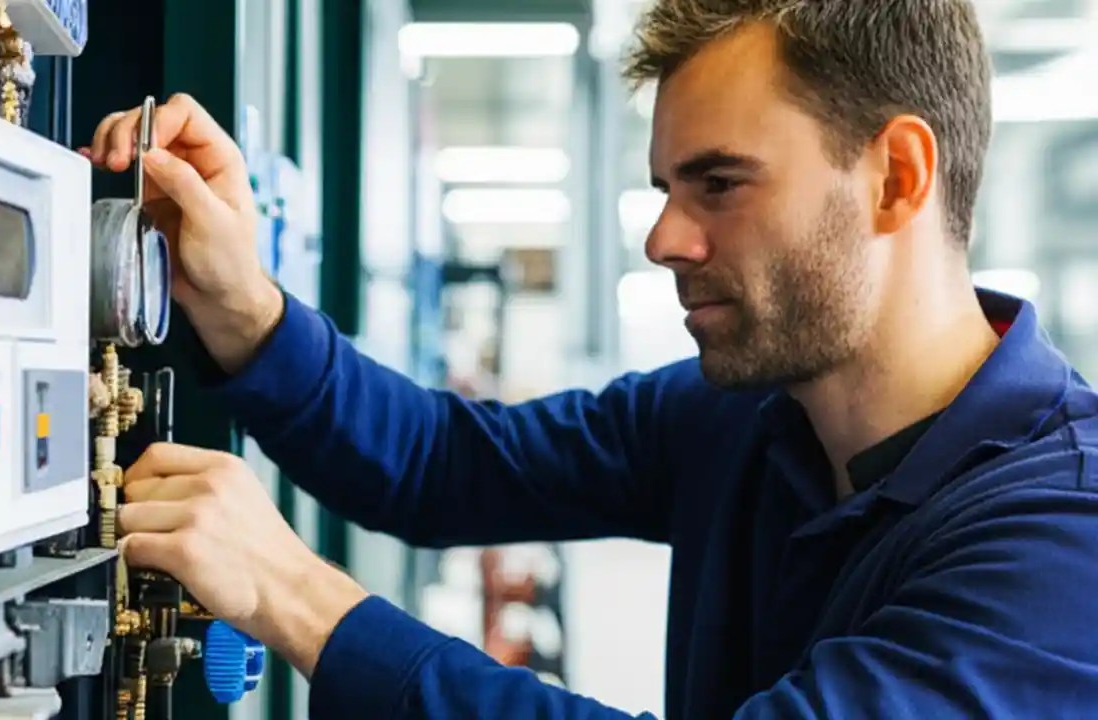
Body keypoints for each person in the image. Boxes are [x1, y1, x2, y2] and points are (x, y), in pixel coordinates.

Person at [91, 1, 1098, 718]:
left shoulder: (1057, 546)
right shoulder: (743, 415)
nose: (663, 239)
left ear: (897, 177)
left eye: (718, 184)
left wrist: (297, 597)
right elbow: (442, 465)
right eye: (665, 189)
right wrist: (242, 305)